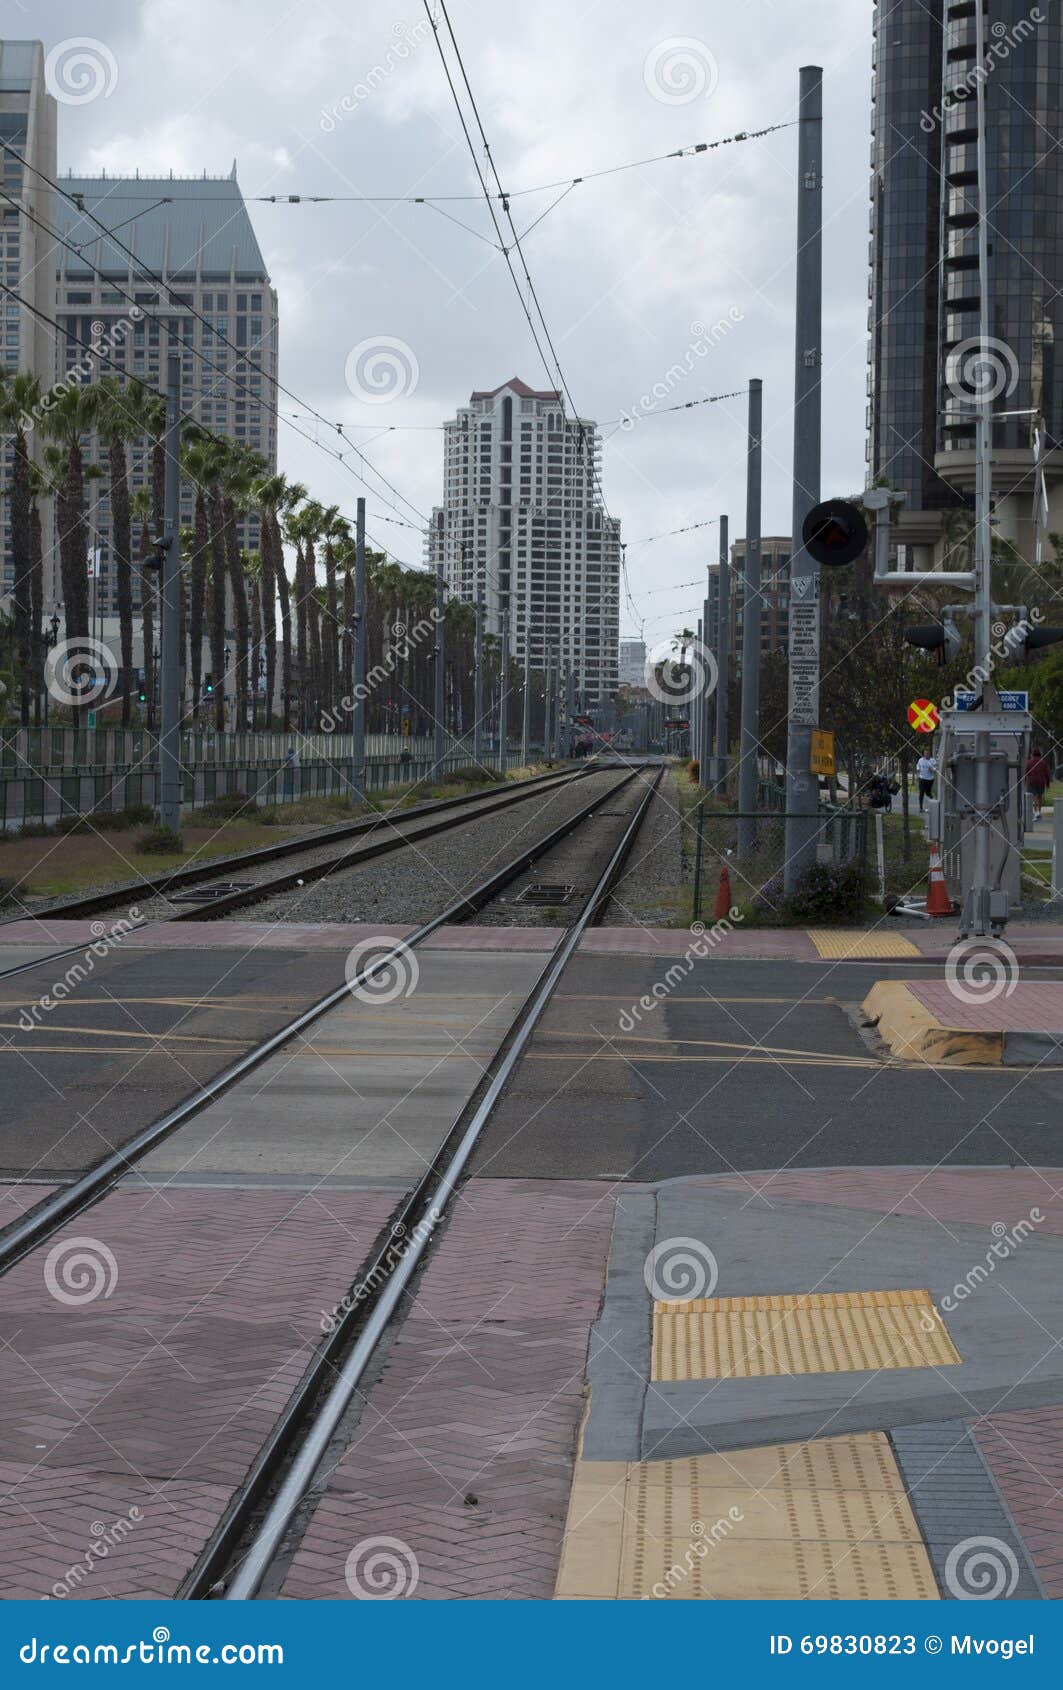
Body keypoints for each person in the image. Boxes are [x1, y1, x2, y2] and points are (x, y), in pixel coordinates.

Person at [1026, 744, 1051, 816]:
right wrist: (1048, 784)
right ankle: (1039, 812)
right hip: (1041, 781)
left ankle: (1035, 811)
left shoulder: (1029, 762)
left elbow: (1026, 772)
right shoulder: (1043, 762)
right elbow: (1047, 774)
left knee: (1034, 796)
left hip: (1031, 781)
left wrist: (1026, 781)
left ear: (1032, 754)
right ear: (1040, 754)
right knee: (1039, 796)